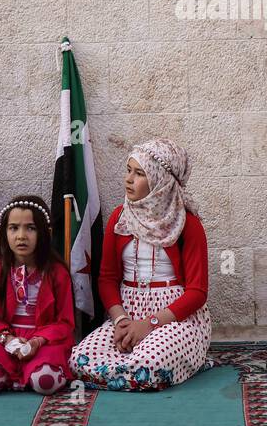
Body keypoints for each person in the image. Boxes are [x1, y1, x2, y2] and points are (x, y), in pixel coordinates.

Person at [70, 138, 210, 391]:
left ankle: (153, 364)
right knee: (79, 359)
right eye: (128, 170)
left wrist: (149, 325)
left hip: (174, 317)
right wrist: (121, 319)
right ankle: (135, 371)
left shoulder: (188, 224)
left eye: (139, 173)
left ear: (159, 180)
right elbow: (107, 278)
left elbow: (197, 292)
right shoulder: (120, 218)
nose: (128, 179)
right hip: (127, 313)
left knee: (148, 362)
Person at [0, 196, 74, 396]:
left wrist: (37, 341)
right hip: (4, 340)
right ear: (4, 233)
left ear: (44, 233)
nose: (21, 236)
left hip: (44, 342)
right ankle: (13, 374)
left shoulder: (57, 272)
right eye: (13, 228)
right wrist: (7, 339)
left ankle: (27, 375)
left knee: (45, 382)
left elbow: (65, 322)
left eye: (30, 228)